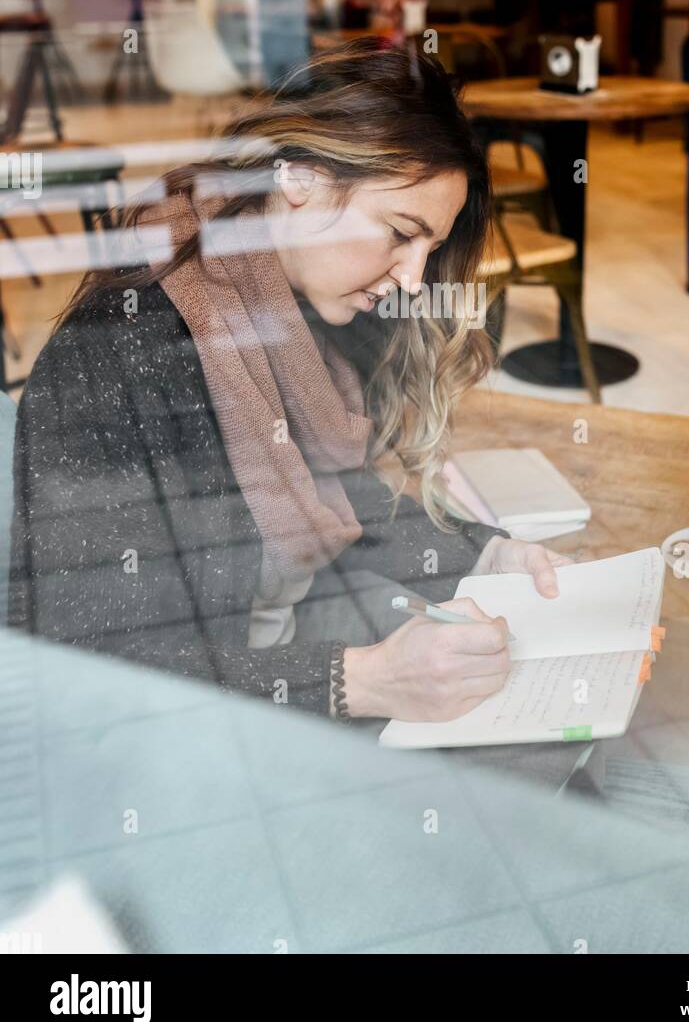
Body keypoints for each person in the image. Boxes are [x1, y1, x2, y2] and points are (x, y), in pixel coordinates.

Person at [9, 42, 570, 727]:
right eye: (399, 232)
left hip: (266, 662)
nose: (413, 279)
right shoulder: (122, 356)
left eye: (429, 248)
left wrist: (483, 552)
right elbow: (99, 669)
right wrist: (358, 683)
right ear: (298, 179)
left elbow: (336, 496)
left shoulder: (286, 304)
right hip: (182, 741)